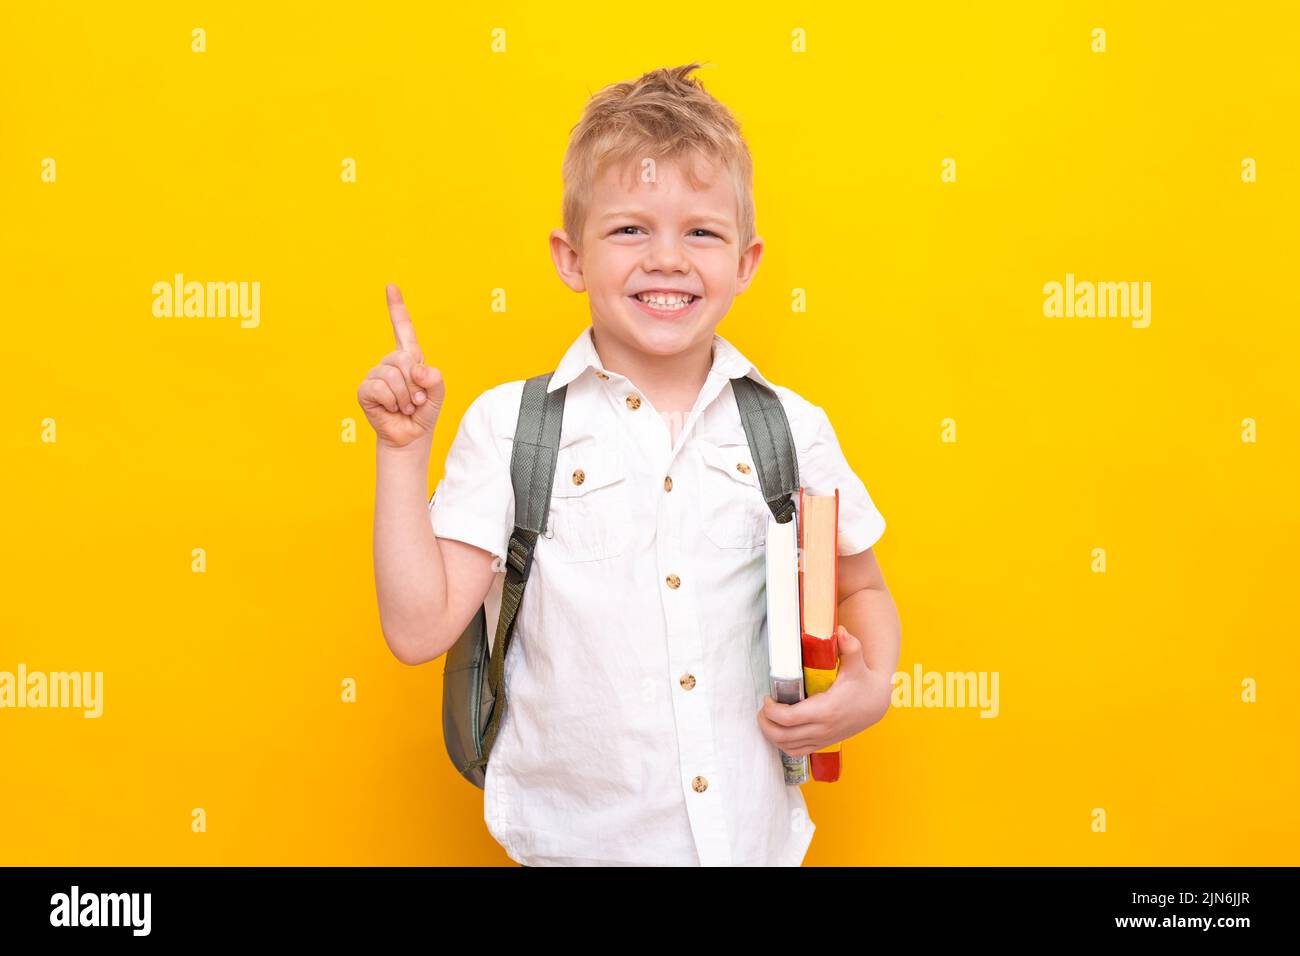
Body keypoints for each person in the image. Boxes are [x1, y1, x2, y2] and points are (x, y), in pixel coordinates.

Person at [359, 63, 900, 866]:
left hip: (752, 847)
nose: (668, 259)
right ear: (570, 257)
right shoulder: (513, 430)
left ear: (746, 263)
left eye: (702, 232)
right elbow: (417, 628)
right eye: (629, 229)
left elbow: (859, 586)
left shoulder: (791, 429)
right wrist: (403, 454)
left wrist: (870, 685)